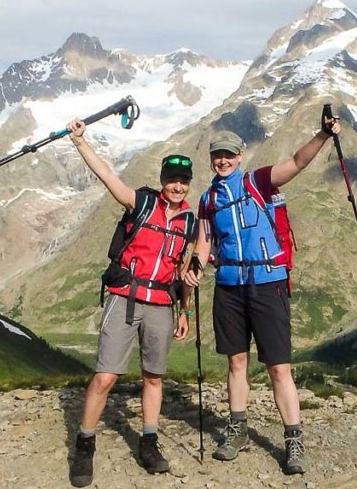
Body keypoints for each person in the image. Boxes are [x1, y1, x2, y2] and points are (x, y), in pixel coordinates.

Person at [184, 113, 340, 475]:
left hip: (267, 283)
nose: (222, 160)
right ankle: (237, 429)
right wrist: (195, 263)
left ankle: (293, 439)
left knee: (278, 367)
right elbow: (206, 240)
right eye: (217, 155)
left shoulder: (257, 181)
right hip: (228, 286)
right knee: (236, 362)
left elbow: (297, 163)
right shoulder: (208, 199)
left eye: (228, 155)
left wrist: (323, 134)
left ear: (240, 156)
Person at [67, 118, 197, 487]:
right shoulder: (140, 203)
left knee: (153, 377)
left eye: (182, 181)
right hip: (125, 298)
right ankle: (85, 444)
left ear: (188, 184)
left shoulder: (190, 221)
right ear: (162, 180)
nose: (176, 185)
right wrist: (80, 143)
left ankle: (149, 442)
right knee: (106, 376)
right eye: (171, 178)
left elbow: (184, 270)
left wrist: (184, 310)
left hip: (161, 304)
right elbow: (108, 177)